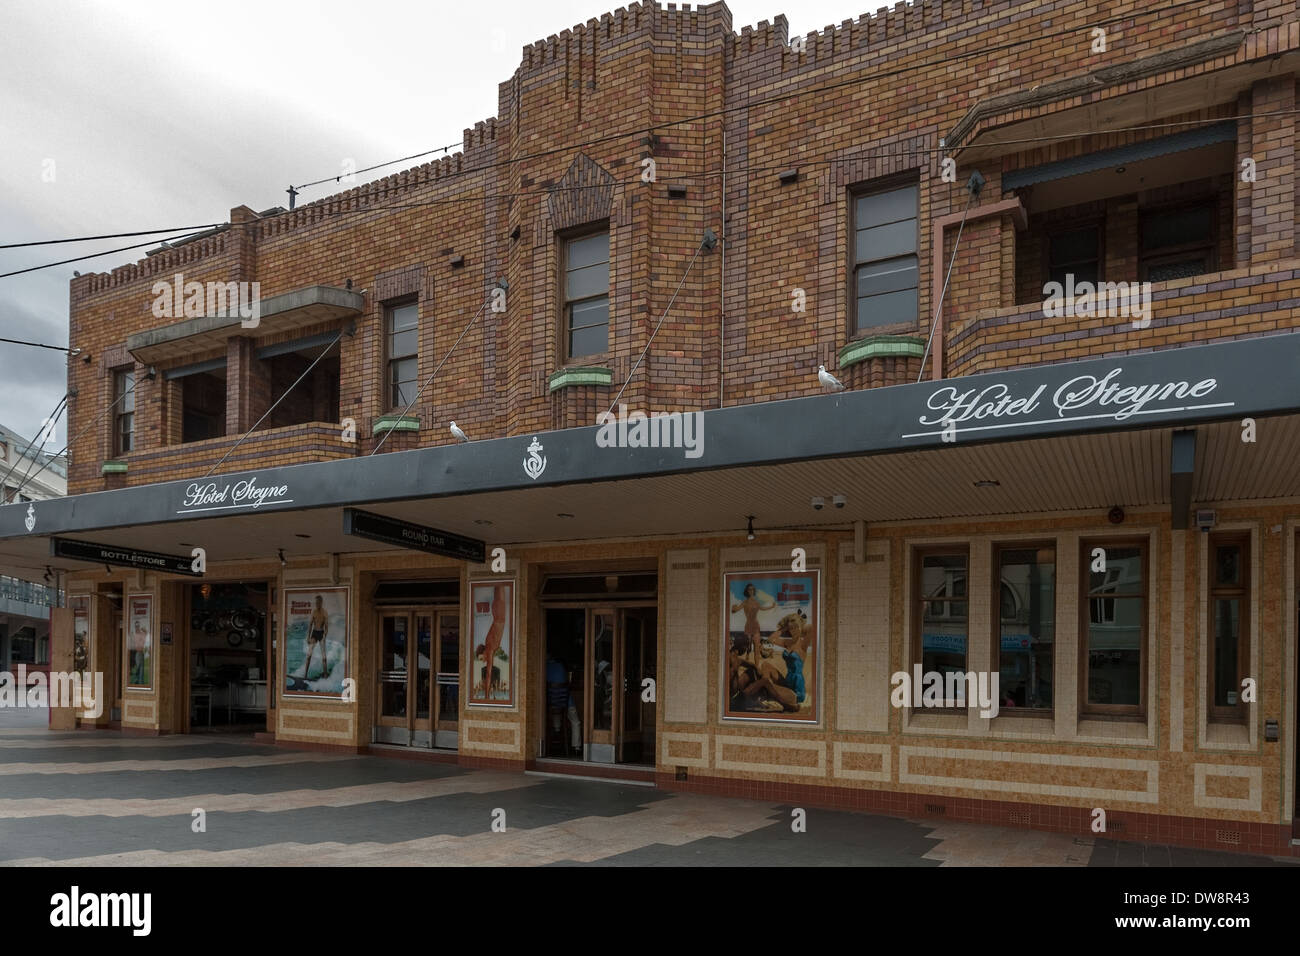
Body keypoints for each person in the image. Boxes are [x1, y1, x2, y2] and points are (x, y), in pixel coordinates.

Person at [727, 635, 797, 713]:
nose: (747, 650)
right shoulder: (733, 661)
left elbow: (752, 666)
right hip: (736, 699)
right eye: (747, 648)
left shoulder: (734, 657)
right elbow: (730, 682)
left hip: (735, 695)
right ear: (743, 646)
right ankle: (785, 705)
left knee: (751, 671)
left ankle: (761, 694)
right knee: (765, 681)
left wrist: (757, 674)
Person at [546, 654, 581, 755]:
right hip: (566, 703)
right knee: (575, 721)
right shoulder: (561, 667)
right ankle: (577, 747)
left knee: (555, 711)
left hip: (551, 704)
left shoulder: (544, 667)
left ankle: (557, 731)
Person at [302, 595, 330, 680]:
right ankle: (305, 675)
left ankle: (325, 675)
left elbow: (326, 627)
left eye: (318, 602)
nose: (317, 604)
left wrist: (324, 636)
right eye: (316, 603)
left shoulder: (324, 613)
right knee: (308, 655)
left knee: (324, 657)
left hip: (321, 633)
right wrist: (308, 637)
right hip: (314, 633)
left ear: (321, 603)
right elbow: (310, 625)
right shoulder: (314, 612)